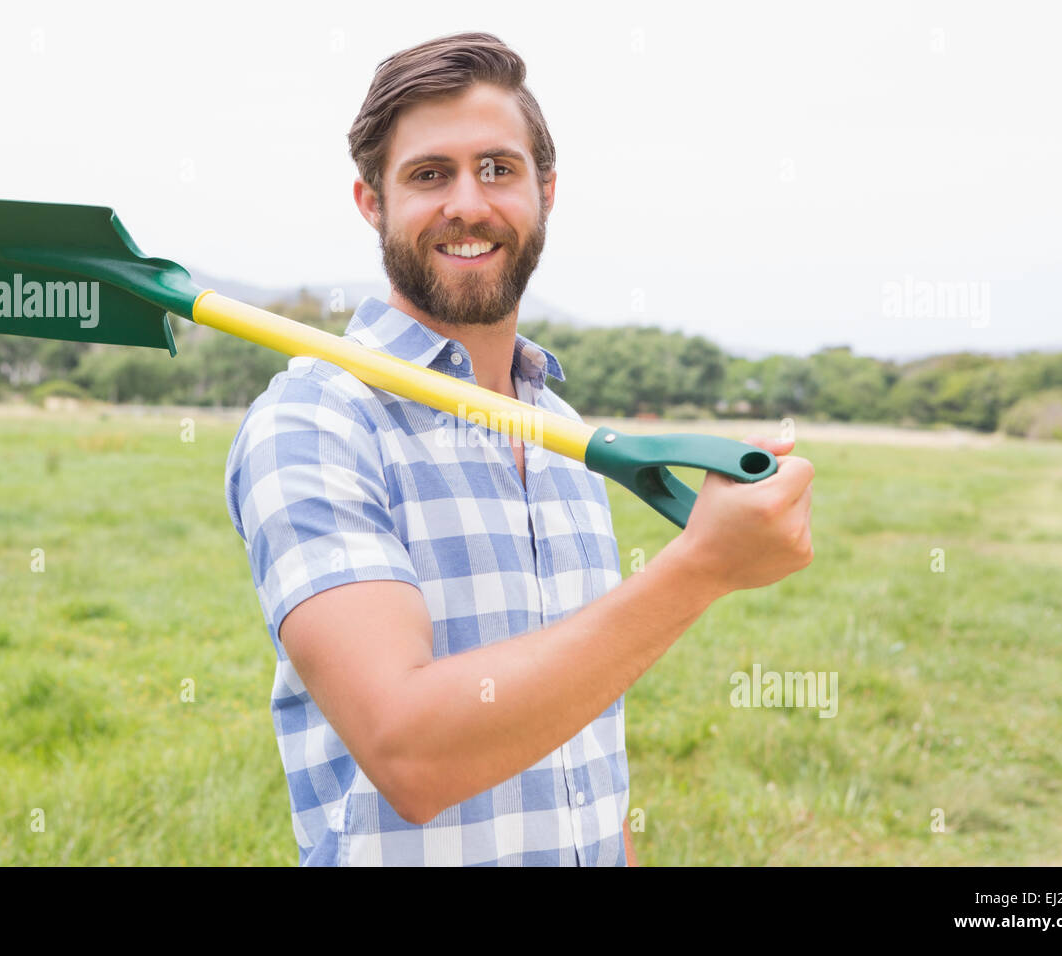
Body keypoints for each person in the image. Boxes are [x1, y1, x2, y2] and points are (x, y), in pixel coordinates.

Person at [224, 31, 814, 866]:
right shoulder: (314, 423)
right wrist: (700, 568)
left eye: (498, 168)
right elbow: (411, 753)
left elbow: (585, 752)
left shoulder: (565, 436)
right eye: (430, 175)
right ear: (371, 201)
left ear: (545, 189)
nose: (469, 204)